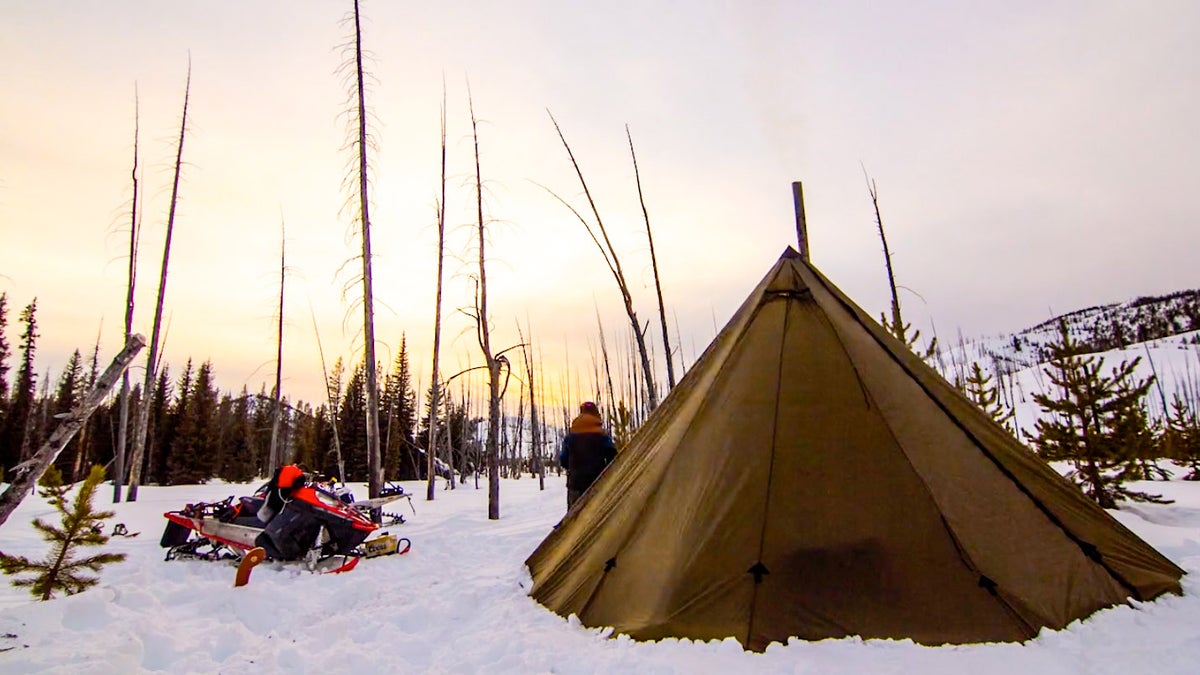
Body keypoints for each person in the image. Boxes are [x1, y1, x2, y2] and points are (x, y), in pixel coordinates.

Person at [558, 401, 617, 509]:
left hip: (575, 485)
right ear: (596, 414)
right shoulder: (602, 436)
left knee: (575, 516)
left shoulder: (570, 436)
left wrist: (574, 468)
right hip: (598, 484)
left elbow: (563, 460)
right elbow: (612, 457)